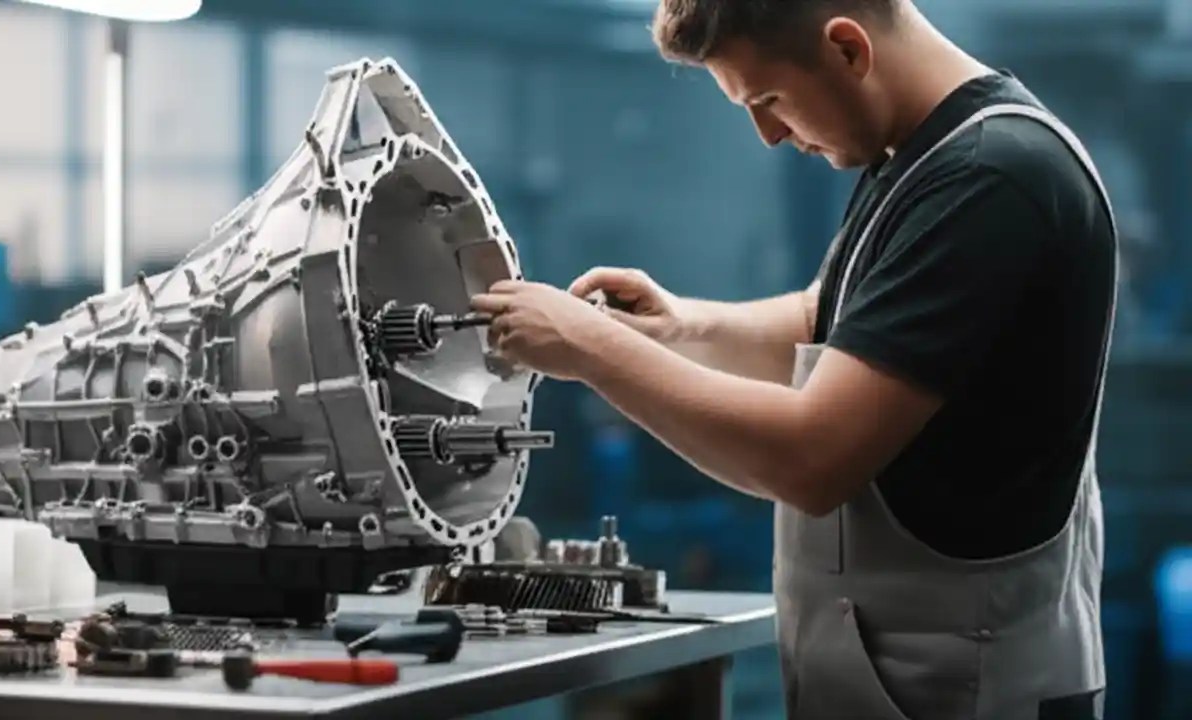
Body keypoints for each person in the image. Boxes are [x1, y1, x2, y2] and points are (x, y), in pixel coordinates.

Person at [470, 0, 1116, 718]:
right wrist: (682, 325)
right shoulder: (919, 158)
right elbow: (835, 324)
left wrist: (590, 348)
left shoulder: (990, 176)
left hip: (975, 692)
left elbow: (813, 457)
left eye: (769, 100)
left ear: (846, 48)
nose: (770, 135)